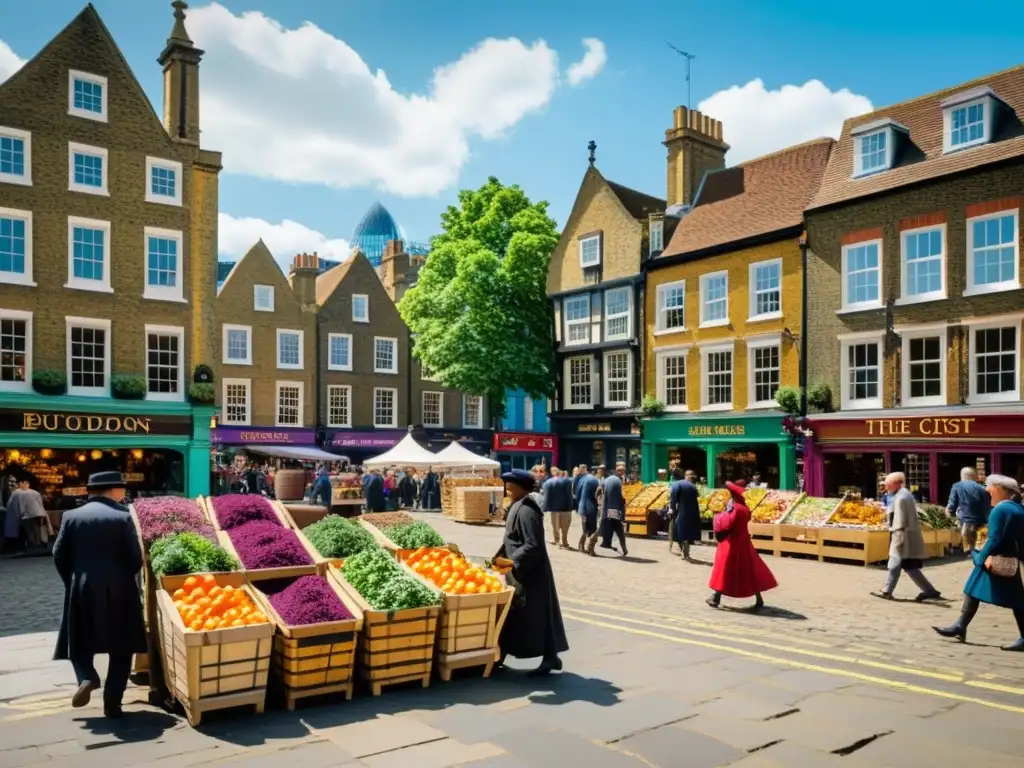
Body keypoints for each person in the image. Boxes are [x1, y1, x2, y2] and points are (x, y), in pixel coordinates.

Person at [52, 472, 146, 718]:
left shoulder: (70, 516)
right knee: (122, 647)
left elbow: (58, 554)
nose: (124, 493)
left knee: (78, 640)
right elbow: (135, 558)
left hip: (81, 585)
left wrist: (72, 581)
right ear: (113, 490)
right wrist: (124, 576)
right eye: (122, 489)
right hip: (120, 588)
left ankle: (87, 677)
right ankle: (112, 704)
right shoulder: (123, 517)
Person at [933, 474, 1024, 651]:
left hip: (996, 559)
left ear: (999, 489)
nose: (986, 490)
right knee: (972, 589)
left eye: (989, 487)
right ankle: (960, 625)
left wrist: (979, 557)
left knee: (1018, 601)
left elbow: (994, 538)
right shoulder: (1017, 508)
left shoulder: (1001, 510)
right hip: (1006, 558)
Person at [492, 469, 568, 675]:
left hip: (531, 573)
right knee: (513, 614)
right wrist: (498, 559)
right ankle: (503, 652)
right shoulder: (517, 506)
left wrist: (510, 563)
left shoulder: (527, 511)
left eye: (509, 487)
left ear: (518, 488)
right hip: (518, 570)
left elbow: (533, 545)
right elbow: (511, 540)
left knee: (539, 616)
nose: (507, 491)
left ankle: (550, 658)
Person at [707, 480, 778, 611]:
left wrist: (718, 516)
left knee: (725, 570)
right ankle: (758, 599)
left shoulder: (736, 509)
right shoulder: (744, 508)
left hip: (732, 544)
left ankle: (716, 597)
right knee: (749, 571)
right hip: (744, 542)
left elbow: (727, 523)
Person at [874, 472, 942, 602]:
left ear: (897, 483)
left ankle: (887, 590)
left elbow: (900, 521)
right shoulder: (902, 494)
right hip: (906, 535)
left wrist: (894, 534)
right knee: (910, 566)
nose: (886, 486)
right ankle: (930, 591)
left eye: (888, 483)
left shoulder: (901, 497)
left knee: (895, 562)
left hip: (902, 536)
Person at [946, 467, 990, 555]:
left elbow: (952, 504)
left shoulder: (957, 486)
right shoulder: (982, 488)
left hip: (965, 520)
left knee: (969, 548)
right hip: (981, 522)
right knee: (980, 546)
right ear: (973, 476)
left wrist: (948, 512)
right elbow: (987, 505)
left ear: (962, 475)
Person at [589, 464, 627, 556]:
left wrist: (599, 502)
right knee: (619, 528)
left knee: (601, 526)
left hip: (606, 508)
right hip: (616, 509)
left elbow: (597, 492)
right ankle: (624, 548)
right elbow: (622, 496)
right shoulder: (619, 481)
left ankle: (591, 544)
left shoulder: (606, 480)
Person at [8, 478, 54, 548]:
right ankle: (40, 544)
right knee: (38, 530)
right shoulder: (36, 492)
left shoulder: (17, 493)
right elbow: (41, 505)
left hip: (28, 515)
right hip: (39, 513)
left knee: (31, 532)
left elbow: (19, 506)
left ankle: (35, 545)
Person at [671, 468, 702, 561]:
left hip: (682, 512)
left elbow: (673, 497)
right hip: (692, 513)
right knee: (688, 534)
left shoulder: (677, 484)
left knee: (679, 531)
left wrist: (672, 508)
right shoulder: (693, 487)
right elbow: (697, 496)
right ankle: (686, 552)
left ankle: (682, 549)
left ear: (685, 475)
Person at [541, 467, 573, 548]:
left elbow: (547, 497)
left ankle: (557, 541)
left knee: (555, 526)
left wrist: (545, 508)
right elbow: (570, 495)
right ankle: (564, 541)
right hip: (565, 508)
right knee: (565, 526)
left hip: (554, 509)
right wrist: (570, 506)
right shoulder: (568, 481)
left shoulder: (548, 482)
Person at [575, 466, 599, 552]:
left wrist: (579, 504)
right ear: (596, 472)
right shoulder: (595, 480)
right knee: (592, 528)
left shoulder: (582, 479)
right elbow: (597, 495)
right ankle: (590, 548)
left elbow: (577, 493)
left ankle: (581, 545)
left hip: (582, 507)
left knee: (585, 527)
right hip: (591, 507)